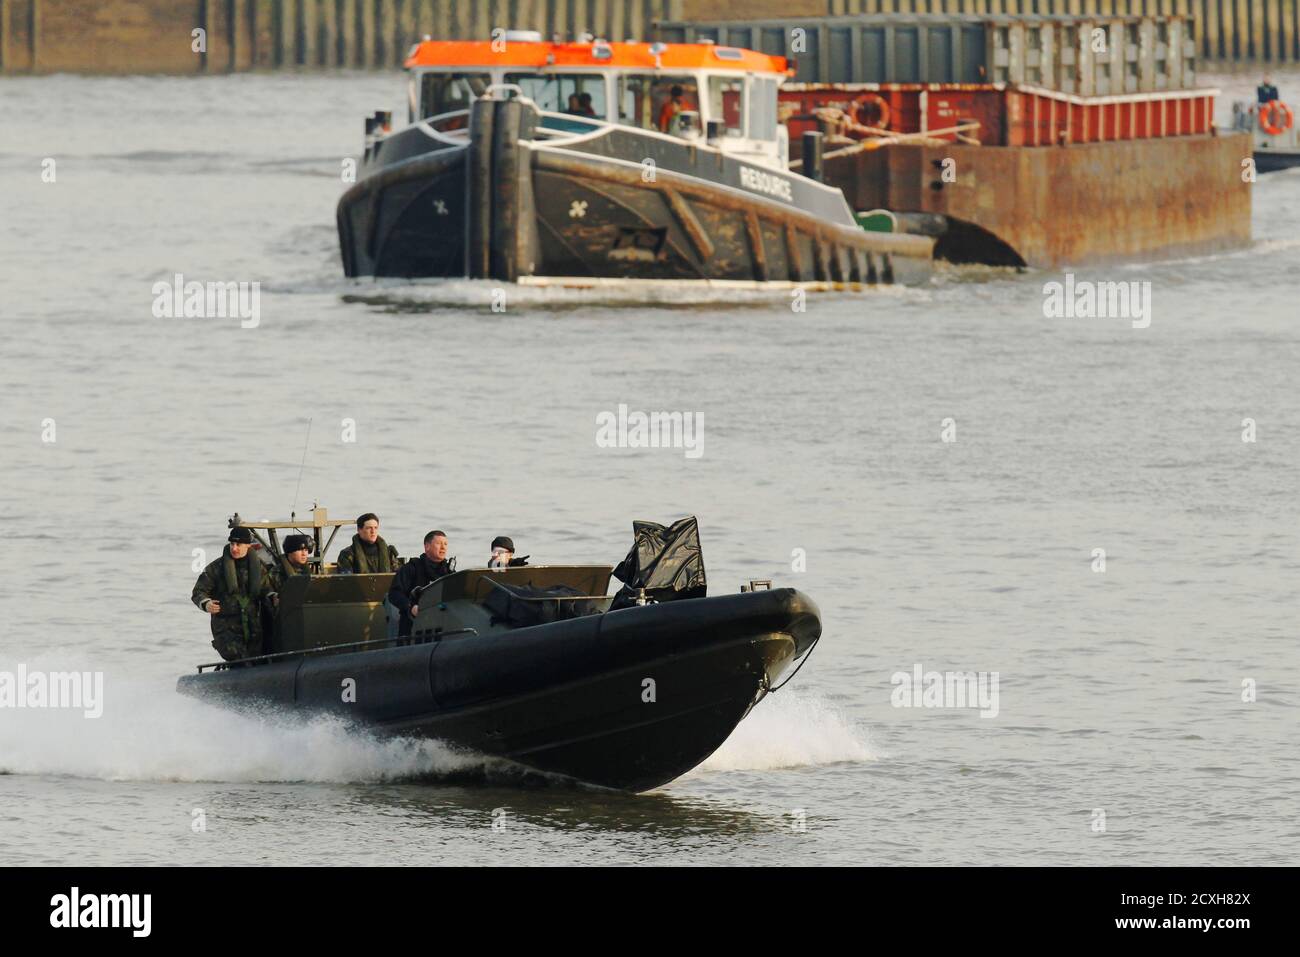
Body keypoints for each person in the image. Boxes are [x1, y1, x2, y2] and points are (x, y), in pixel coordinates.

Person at [192, 526, 278, 662]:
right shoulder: (216, 568)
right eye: (232, 544)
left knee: (257, 660)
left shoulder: (258, 567)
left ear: (248, 546)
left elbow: (266, 588)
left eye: (239, 544)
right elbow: (198, 591)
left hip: (253, 629)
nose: (234, 548)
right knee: (240, 660)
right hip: (227, 630)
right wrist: (206, 603)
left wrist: (273, 597)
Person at [387, 530, 456, 637]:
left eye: (445, 544)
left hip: (443, 625)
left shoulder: (449, 572)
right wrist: (411, 607)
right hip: (412, 627)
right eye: (438, 543)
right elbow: (394, 594)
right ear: (427, 546)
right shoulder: (411, 568)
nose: (443, 547)